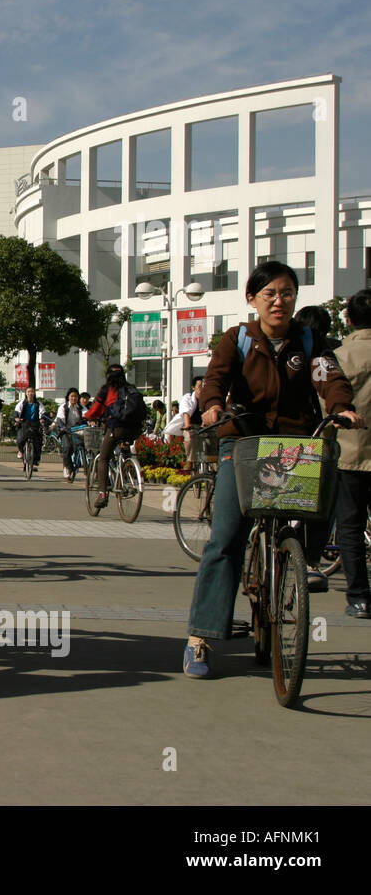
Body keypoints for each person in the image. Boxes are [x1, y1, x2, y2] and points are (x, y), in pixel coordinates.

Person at [182, 261, 362, 678]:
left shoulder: (310, 341)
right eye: (270, 295)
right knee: (226, 538)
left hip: (293, 445)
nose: (280, 301)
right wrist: (211, 407)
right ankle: (200, 637)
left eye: (287, 293)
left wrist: (342, 408)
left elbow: (328, 377)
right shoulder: (238, 338)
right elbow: (216, 378)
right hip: (242, 441)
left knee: (325, 488)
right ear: (253, 300)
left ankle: (301, 561)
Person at [333, 290, 371, 617]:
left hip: (351, 454)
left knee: (351, 526)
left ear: (349, 319)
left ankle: (359, 597)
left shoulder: (341, 356)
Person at [83, 365, 144, 509]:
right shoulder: (131, 388)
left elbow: (95, 410)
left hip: (116, 428)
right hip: (135, 429)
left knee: (103, 458)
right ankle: (127, 468)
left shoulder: (106, 390)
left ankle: (103, 493)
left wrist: (86, 416)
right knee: (124, 447)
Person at [53, 387, 87, 482]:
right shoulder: (63, 407)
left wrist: (90, 421)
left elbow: (86, 415)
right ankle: (68, 468)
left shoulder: (81, 407)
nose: (74, 398)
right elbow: (60, 421)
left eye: (76, 396)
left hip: (78, 431)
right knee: (67, 448)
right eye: (72, 396)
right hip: (65, 432)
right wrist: (64, 428)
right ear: (68, 397)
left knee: (86, 447)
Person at [13, 387, 50, 469]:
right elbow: (16, 413)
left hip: (35, 424)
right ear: (26, 393)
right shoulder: (22, 403)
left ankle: (35, 461)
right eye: (29, 391)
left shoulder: (38, 403)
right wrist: (16, 418)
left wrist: (42, 419)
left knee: (38, 442)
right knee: (20, 439)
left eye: (32, 391)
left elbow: (43, 412)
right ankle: (21, 451)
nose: (30, 393)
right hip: (24, 424)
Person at [178, 375, 203, 470]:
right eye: (200, 386)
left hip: (205, 427)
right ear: (193, 388)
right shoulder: (188, 398)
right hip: (191, 426)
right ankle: (190, 460)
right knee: (189, 438)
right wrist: (187, 425)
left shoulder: (207, 398)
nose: (202, 389)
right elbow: (186, 412)